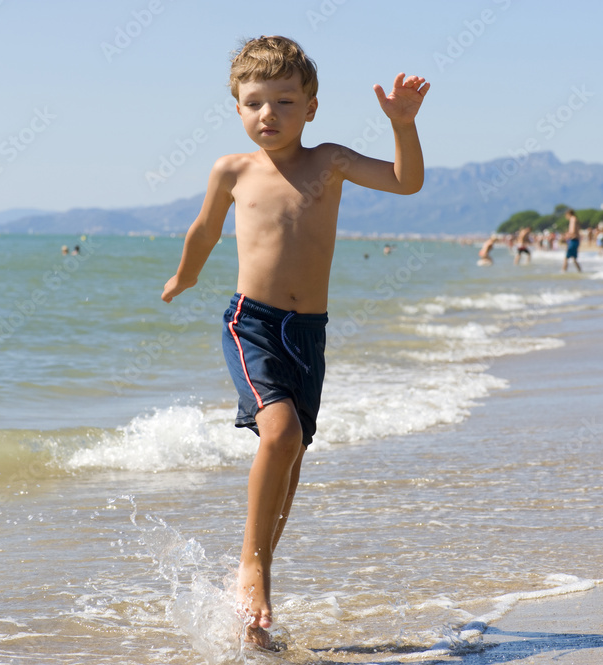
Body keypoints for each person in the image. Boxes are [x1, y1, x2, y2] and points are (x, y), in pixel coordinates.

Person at [160, 35, 428, 648]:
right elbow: (204, 231)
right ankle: (250, 564)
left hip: (309, 333)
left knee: (293, 452)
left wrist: (403, 127)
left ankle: (255, 592)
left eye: (284, 101)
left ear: (310, 106)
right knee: (278, 434)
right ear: (237, 108)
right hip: (249, 323)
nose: (268, 115)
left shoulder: (328, 161)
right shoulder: (232, 170)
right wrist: (186, 276)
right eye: (255, 102)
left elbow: (405, 183)